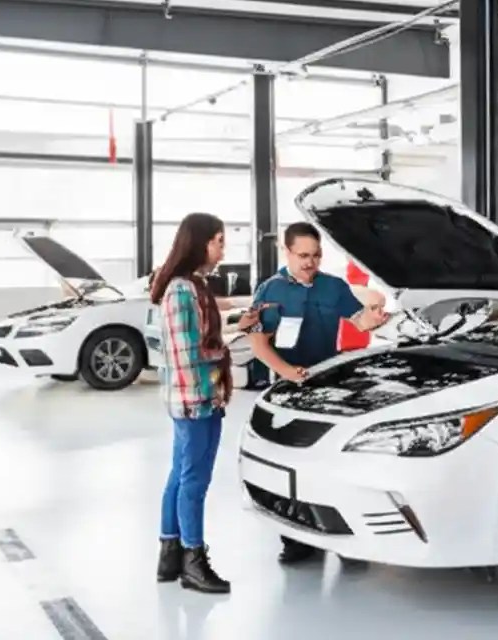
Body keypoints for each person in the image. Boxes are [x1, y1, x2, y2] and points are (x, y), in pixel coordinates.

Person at [249, 221, 391, 564]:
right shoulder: (269, 291)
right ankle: (295, 539)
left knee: (332, 462)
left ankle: (342, 536)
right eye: (303, 256)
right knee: (290, 465)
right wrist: (286, 372)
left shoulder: (333, 287)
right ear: (286, 252)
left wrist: (374, 319)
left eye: (315, 256)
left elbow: (358, 320)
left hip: (329, 385)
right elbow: (258, 344)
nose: (309, 263)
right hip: (288, 388)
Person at [150, 212, 264, 594]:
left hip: (189, 396)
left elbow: (200, 334)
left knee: (180, 474)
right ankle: (193, 562)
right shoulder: (183, 290)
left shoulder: (189, 286)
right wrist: (231, 344)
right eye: (218, 241)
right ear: (199, 243)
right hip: (195, 398)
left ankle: (170, 556)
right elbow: (190, 351)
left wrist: (234, 325)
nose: (222, 250)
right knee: (194, 481)